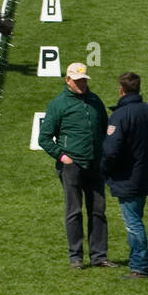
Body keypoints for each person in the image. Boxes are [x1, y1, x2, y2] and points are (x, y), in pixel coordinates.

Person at [41, 63, 115, 269]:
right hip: (71, 166)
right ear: (68, 80)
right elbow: (44, 138)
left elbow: (104, 128)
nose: (81, 84)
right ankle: (76, 257)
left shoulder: (95, 101)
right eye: (77, 81)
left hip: (95, 164)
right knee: (74, 211)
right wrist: (62, 157)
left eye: (83, 80)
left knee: (98, 210)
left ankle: (99, 256)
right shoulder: (58, 104)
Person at [102, 72, 148, 278]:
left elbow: (111, 150)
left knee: (133, 223)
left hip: (127, 178)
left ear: (120, 90)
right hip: (147, 175)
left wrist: (103, 170)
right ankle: (139, 264)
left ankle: (140, 267)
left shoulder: (120, 116)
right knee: (136, 217)